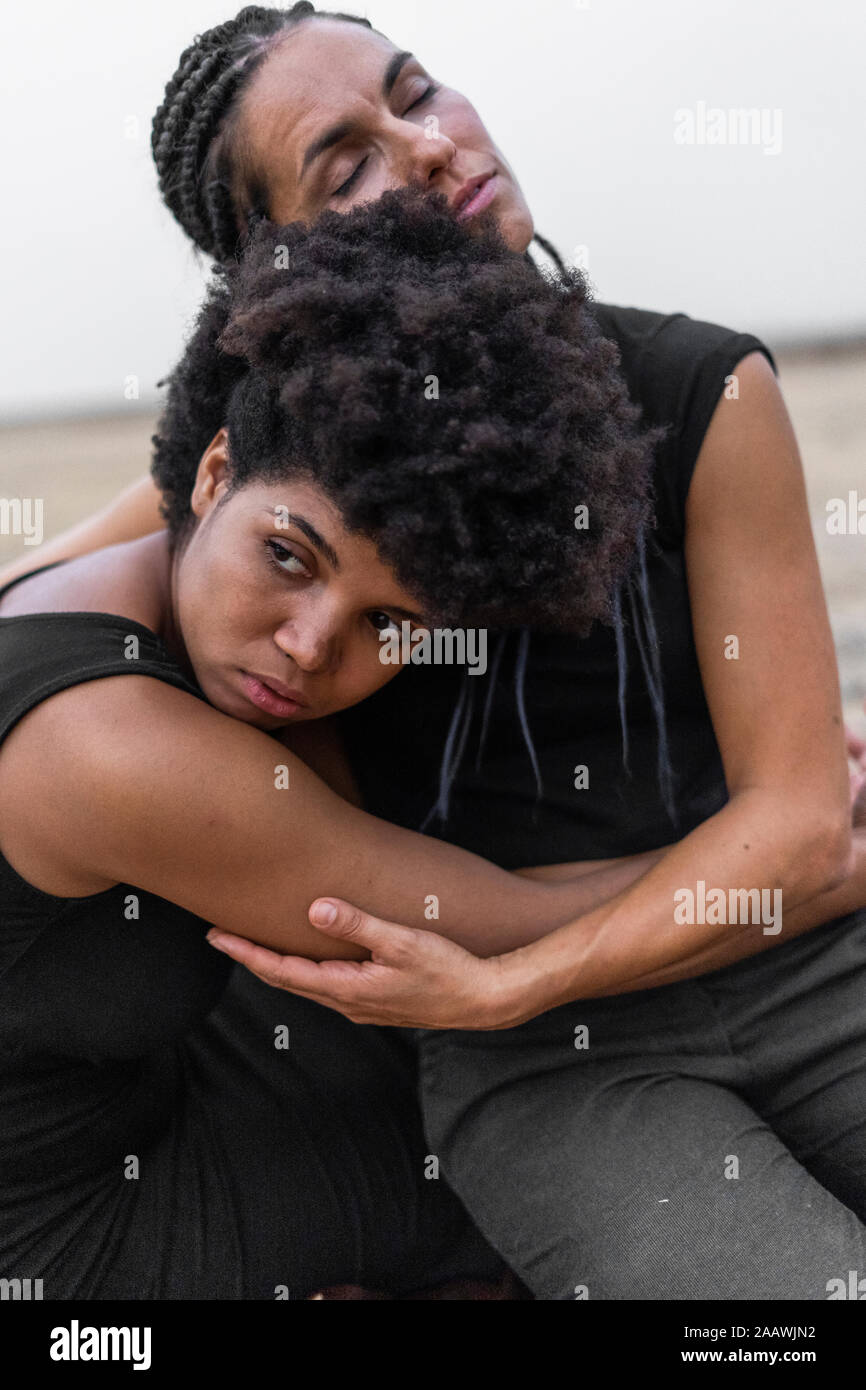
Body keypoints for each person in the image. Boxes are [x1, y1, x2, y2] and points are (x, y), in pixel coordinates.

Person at [4, 5, 866, 1298]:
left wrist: (791, 838)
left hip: (782, 975)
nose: (423, 147)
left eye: (418, 92)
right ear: (267, 268)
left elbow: (801, 825)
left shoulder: (693, 389)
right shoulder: (252, 505)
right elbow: (147, 538)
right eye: (342, 163)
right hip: (499, 1050)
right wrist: (780, 856)